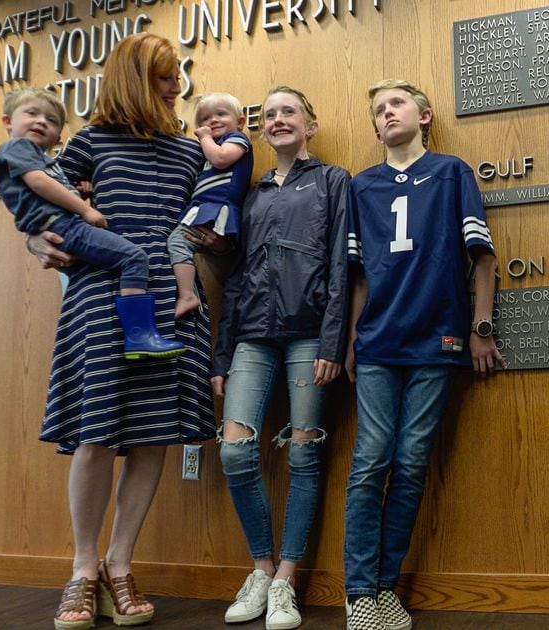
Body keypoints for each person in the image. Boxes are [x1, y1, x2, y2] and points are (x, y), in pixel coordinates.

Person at [24, 32, 223, 630]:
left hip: (171, 301)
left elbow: (206, 223)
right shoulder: (88, 143)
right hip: (101, 296)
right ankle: (83, 569)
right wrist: (36, 240)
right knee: (96, 434)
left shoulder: (190, 151)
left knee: (153, 436)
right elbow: (38, 207)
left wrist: (212, 239)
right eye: (164, 77)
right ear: (134, 80)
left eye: (176, 76)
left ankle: (119, 564)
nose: (176, 86)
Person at [341, 79, 505, 630]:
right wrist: (351, 340)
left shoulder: (452, 172)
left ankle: (384, 586)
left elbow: (483, 259)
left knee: (411, 462)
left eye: (397, 104)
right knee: (371, 459)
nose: (387, 113)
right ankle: (359, 592)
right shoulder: (361, 186)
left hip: (438, 338)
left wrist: (481, 328)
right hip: (379, 342)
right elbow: (358, 276)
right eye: (378, 109)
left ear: (425, 115)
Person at [211, 86, 349, 630]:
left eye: (288, 111)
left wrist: (333, 342)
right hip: (251, 335)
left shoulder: (333, 181)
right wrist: (222, 355)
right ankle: (262, 569)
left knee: (303, 456)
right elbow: (235, 277)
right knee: (234, 453)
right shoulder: (251, 194)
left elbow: (341, 265)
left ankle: (287, 580)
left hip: (310, 335)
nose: (277, 120)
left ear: (310, 125)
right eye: (269, 115)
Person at [0, 87, 185, 360]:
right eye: (32, 113)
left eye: (51, 120)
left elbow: (50, 186)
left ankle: (133, 335)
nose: (41, 122)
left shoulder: (45, 160)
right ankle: (139, 334)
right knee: (134, 258)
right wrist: (84, 208)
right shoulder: (20, 147)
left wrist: (79, 190)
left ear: (59, 136)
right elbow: (39, 183)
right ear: (7, 121)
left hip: (61, 224)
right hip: (64, 225)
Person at [171, 91, 254, 319]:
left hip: (217, 207)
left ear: (240, 122)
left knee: (177, 242)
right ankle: (187, 293)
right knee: (180, 243)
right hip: (206, 208)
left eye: (221, 114)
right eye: (205, 118)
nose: (213, 120)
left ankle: (187, 295)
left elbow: (220, 159)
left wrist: (205, 137)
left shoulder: (236, 139)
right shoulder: (210, 149)